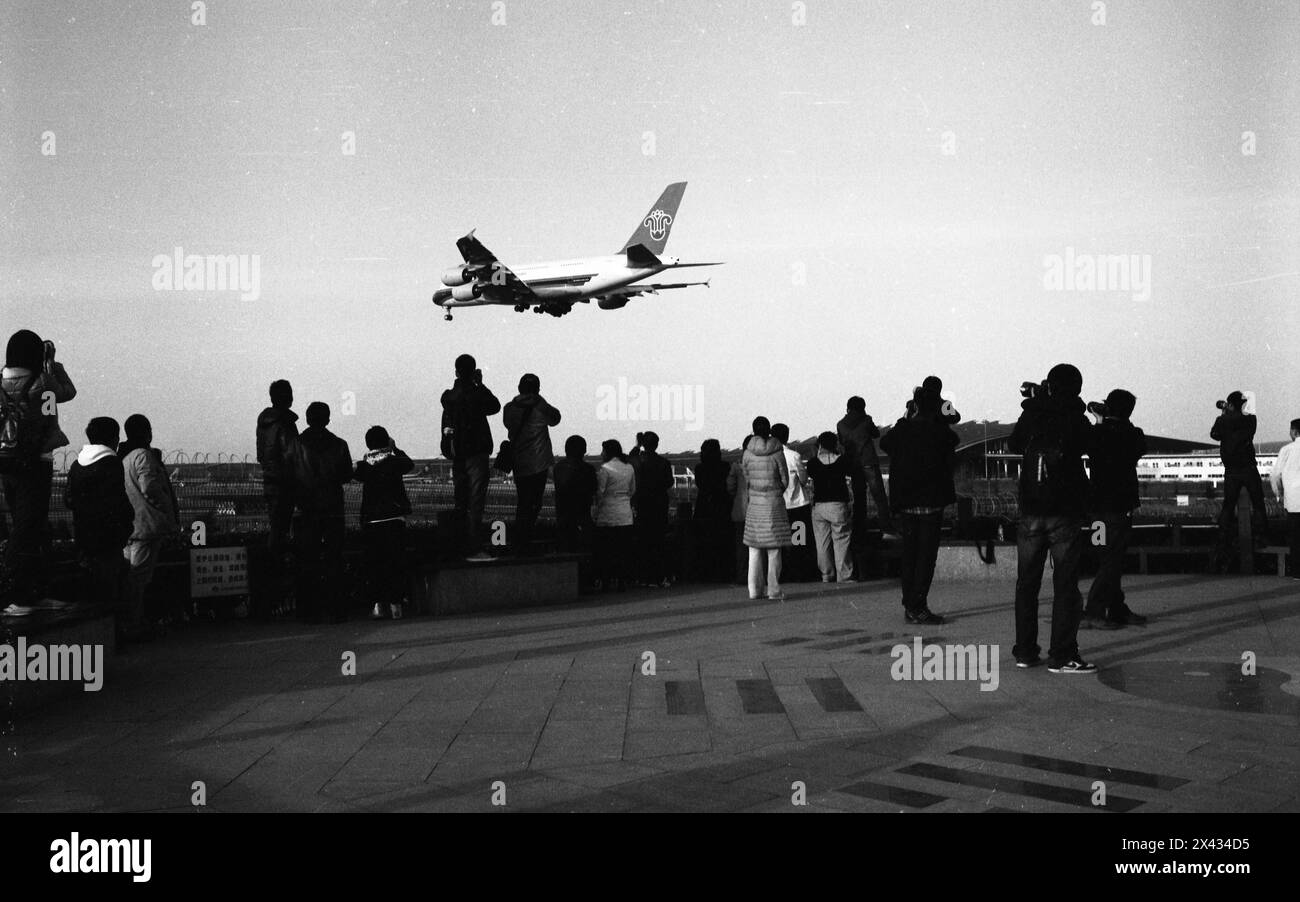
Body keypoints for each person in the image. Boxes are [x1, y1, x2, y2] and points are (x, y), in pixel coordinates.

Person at [1008, 364, 1095, 674]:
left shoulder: (1032, 413)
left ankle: (1025, 651)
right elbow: (1090, 445)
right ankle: (1062, 654)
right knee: (1066, 585)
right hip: (1064, 510)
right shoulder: (1075, 416)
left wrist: (1034, 402)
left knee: (1026, 585)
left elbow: (1014, 443)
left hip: (1031, 509)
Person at [0, 330, 76, 613]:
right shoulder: (43, 381)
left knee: (25, 522)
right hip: (36, 461)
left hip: (6, 460)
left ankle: (29, 593)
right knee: (29, 526)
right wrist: (53, 365)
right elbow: (67, 392)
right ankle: (18, 594)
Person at [880, 390, 957, 623]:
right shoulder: (939, 430)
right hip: (931, 503)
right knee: (926, 557)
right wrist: (943, 415)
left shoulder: (903, 429)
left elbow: (885, 442)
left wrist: (905, 418)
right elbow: (954, 440)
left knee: (910, 555)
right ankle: (918, 605)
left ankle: (910, 603)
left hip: (906, 503)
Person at [1082, 390, 1149, 628]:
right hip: (1119, 508)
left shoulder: (1097, 433)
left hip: (1097, 509)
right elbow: (1139, 446)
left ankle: (1116, 608)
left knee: (1105, 559)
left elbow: (1092, 443)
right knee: (1113, 560)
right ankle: (1095, 610)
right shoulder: (1133, 434)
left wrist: (1101, 422)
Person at [65, 417, 135, 638]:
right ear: (113, 438)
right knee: (112, 589)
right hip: (108, 538)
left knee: (93, 589)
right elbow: (118, 501)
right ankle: (114, 637)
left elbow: (68, 499)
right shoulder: (111, 463)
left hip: (84, 535)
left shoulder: (76, 464)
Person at [291, 402, 353, 622]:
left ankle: (308, 611)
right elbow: (346, 475)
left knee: (307, 559)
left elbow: (288, 474)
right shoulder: (340, 444)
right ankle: (337, 609)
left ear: (307, 419)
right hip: (333, 508)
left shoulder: (295, 444)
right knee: (334, 558)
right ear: (328, 419)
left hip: (305, 509)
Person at [119, 415, 179, 630]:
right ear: (146, 432)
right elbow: (150, 487)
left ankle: (130, 622)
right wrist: (165, 508)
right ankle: (134, 623)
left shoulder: (124, 457)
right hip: (146, 526)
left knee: (131, 576)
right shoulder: (143, 456)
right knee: (139, 580)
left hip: (132, 526)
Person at [440, 354, 501, 562]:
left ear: (456, 372)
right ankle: (474, 547)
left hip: (457, 454)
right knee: (476, 502)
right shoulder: (476, 393)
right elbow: (494, 406)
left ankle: (459, 546)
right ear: (473, 371)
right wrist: (480, 384)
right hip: (477, 453)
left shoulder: (448, 397)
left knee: (461, 501)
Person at [354, 426, 413, 620]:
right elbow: (409, 464)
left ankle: (378, 605)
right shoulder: (395, 462)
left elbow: (352, 473)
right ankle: (396, 605)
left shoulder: (363, 466)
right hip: (394, 518)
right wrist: (395, 449)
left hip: (372, 520)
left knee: (375, 564)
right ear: (387, 441)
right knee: (396, 563)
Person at [502, 373, 561, 554]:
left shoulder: (509, 408)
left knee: (523, 502)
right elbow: (556, 418)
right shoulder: (540, 407)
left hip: (519, 463)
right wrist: (539, 399)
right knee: (535, 503)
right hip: (539, 462)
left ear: (519, 388)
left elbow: (507, 424)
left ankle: (519, 540)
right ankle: (524, 541)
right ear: (537, 389)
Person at [255, 379, 298, 614]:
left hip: (270, 481)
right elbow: (293, 455)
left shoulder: (264, 423)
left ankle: (270, 592)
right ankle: (277, 589)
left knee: (276, 531)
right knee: (282, 535)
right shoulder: (285, 423)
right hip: (285, 483)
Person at [1211, 391, 1268, 566]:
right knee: (1258, 503)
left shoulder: (1223, 420)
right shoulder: (1250, 420)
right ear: (1241, 404)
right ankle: (1261, 538)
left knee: (1228, 505)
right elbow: (1249, 429)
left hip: (1231, 471)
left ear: (1229, 404)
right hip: (1249, 468)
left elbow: (1214, 435)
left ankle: (1222, 540)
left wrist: (1224, 415)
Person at [837, 395, 893, 556]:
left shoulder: (840, 424)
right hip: (868, 460)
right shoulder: (867, 420)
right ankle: (886, 527)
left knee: (859, 497)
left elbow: (842, 442)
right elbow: (875, 434)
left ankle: (859, 528)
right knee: (879, 497)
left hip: (854, 464)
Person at [742, 416, 791, 600]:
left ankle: (754, 590)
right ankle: (774, 590)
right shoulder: (777, 452)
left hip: (755, 505)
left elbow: (746, 479)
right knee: (774, 548)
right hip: (774, 504)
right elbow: (785, 479)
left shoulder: (747, 453)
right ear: (769, 430)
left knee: (754, 548)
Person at [806, 431, 854, 584]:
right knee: (841, 541)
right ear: (835, 444)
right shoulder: (843, 461)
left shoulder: (813, 463)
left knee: (822, 543)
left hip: (819, 506)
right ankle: (844, 575)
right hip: (838, 505)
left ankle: (827, 574)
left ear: (819, 445)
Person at [631, 431, 674, 587]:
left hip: (643, 504)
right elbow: (669, 482)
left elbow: (631, 457)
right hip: (659, 504)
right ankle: (660, 576)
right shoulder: (663, 462)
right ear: (656, 444)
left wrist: (637, 445)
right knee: (659, 542)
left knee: (644, 542)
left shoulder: (638, 461)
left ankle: (644, 577)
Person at [772, 423, 814, 581]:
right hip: (798, 506)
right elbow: (803, 479)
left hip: (778, 506)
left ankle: (783, 573)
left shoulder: (770, 457)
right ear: (787, 436)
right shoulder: (794, 456)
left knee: (780, 543)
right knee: (799, 541)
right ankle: (800, 572)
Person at [593, 439, 636, 591]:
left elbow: (600, 492)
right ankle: (622, 581)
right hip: (625, 513)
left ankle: (606, 581)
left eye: (603, 451)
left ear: (608, 452)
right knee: (623, 550)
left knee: (607, 550)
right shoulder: (629, 467)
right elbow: (632, 490)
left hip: (608, 514)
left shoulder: (605, 469)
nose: (601, 454)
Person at [691, 439, 734, 582]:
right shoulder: (725, 467)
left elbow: (701, 485)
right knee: (722, 541)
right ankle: (723, 571)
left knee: (704, 542)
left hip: (704, 506)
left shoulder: (699, 468)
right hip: (722, 506)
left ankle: (705, 572)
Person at [553, 435, 597, 555]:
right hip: (583, 516)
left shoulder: (558, 468)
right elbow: (593, 489)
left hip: (563, 516)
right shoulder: (588, 469)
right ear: (583, 450)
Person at [1269, 418, 1300, 579]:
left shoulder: (1287, 450)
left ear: (1294, 432)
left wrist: (1278, 494)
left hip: (1294, 501)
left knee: (1295, 538)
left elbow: (1275, 475)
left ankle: (1297, 572)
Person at [727, 436, 752, 584]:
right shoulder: (759, 464)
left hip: (740, 510)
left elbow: (730, 487)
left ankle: (742, 576)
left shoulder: (736, 466)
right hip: (758, 510)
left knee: (741, 547)